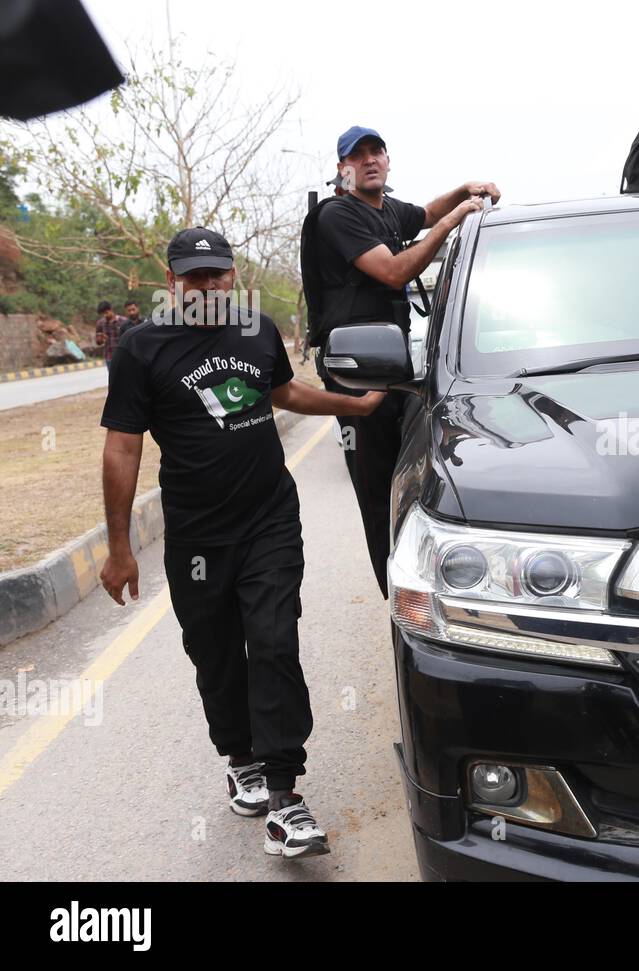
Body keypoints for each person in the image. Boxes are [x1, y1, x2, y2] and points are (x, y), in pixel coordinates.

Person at [99, 227, 387, 860]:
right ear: (171, 281)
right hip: (199, 533)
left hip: (269, 518)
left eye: (217, 274)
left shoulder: (257, 330)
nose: (207, 286)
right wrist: (120, 547)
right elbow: (123, 446)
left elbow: (281, 392)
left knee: (276, 639)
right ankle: (240, 756)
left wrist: (353, 407)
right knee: (218, 654)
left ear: (232, 276)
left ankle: (285, 797)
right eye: (193, 276)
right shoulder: (142, 350)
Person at [310, 125, 499, 597]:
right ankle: (395, 597)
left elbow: (423, 213)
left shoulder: (387, 209)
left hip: (397, 369)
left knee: (417, 485)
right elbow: (395, 272)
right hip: (356, 371)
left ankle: (437, 582)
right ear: (343, 170)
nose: (370, 160)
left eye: (378, 152)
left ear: (388, 161)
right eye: (359, 156)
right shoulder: (337, 215)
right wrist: (454, 219)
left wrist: (463, 189)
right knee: (379, 498)